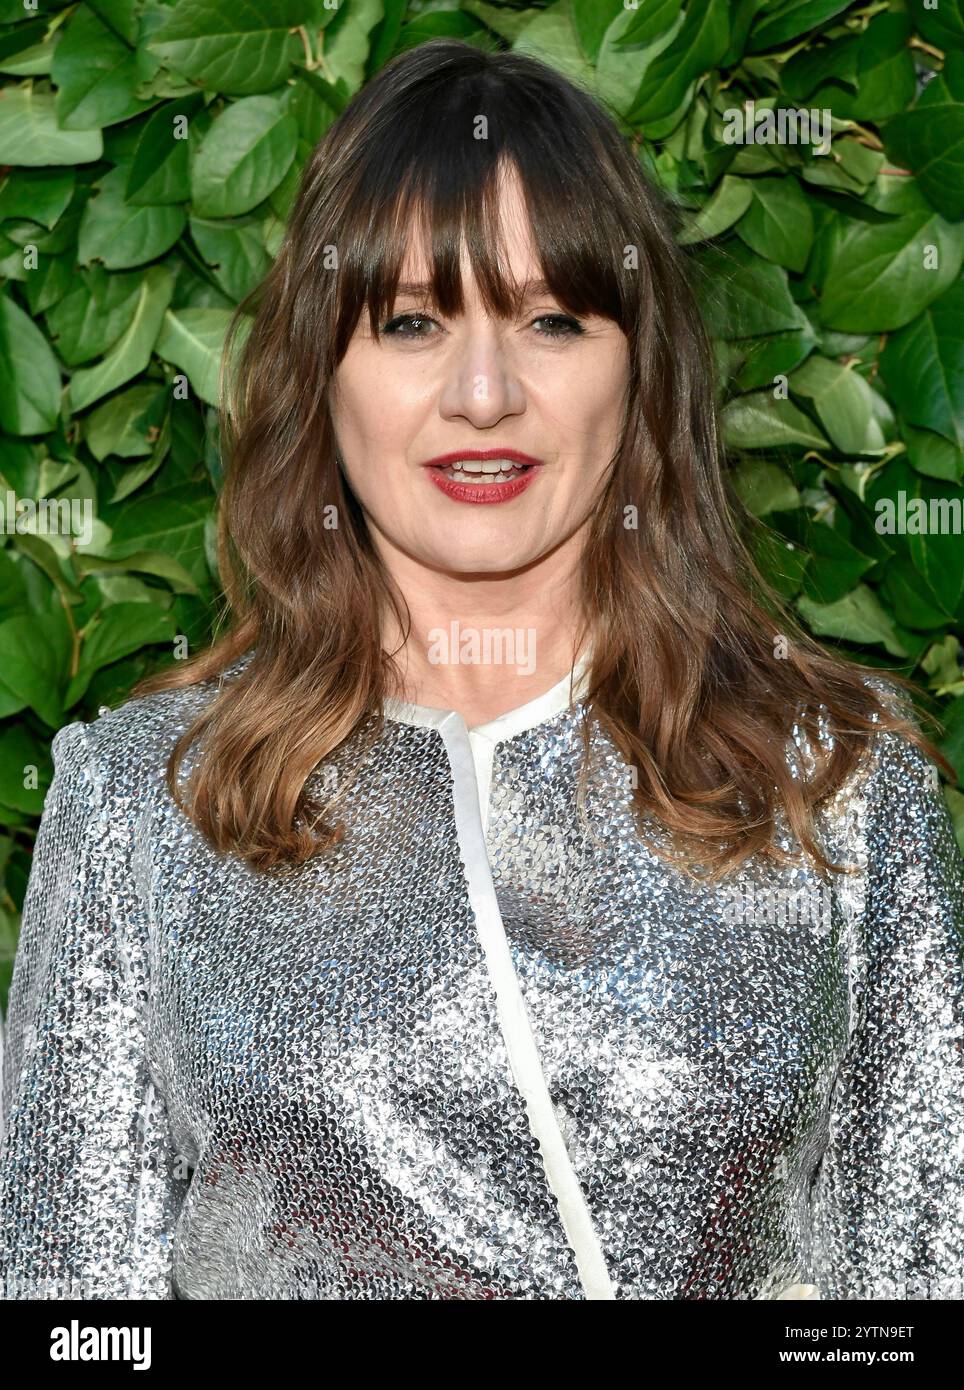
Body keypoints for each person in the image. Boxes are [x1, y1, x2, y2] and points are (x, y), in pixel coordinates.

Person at [0, 38, 962, 1302]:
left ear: (640, 366)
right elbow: (65, 1312)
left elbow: (919, 1288)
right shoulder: (145, 798)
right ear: (321, 369)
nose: (484, 392)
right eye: (411, 322)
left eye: (550, 320)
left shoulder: (838, 778)